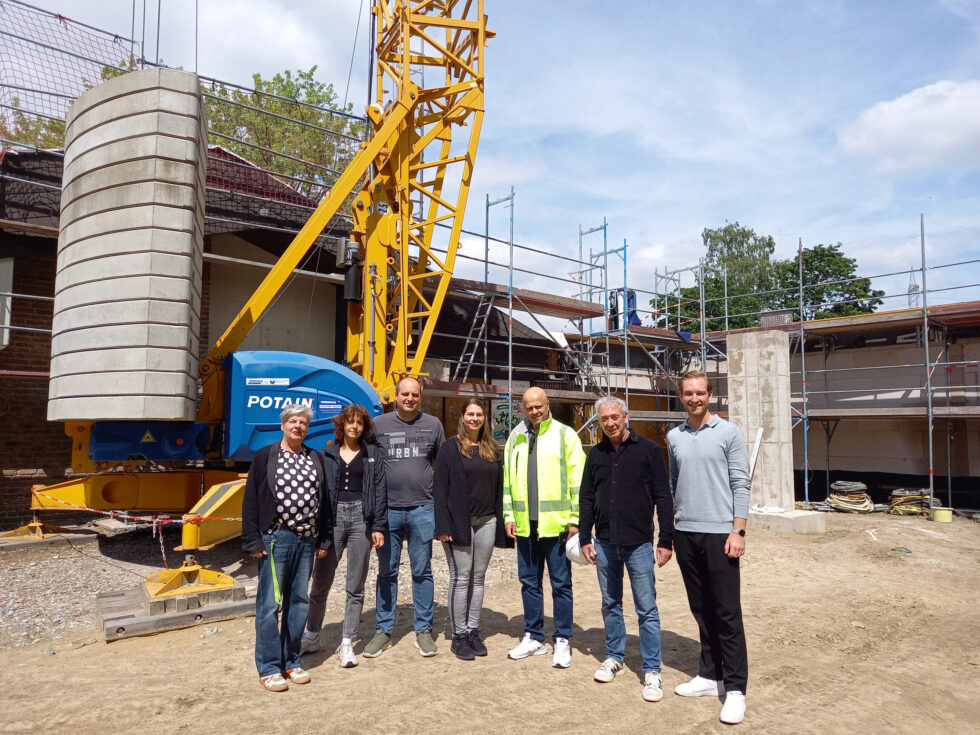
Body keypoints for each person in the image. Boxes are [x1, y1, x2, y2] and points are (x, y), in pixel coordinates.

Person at [667, 370, 751, 725]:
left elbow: (741, 483)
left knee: (727, 613)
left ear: (710, 394)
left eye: (700, 392)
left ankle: (735, 689)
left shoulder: (729, 433)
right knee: (701, 609)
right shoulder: (674, 436)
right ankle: (708, 674)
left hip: (720, 534)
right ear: (681, 397)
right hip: (686, 532)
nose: (694, 398)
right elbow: (674, 482)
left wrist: (738, 531)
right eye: (688, 393)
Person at [579, 396, 674, 702]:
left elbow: (663, 496)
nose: (610, 423)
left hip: (639, 546)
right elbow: (586, 498)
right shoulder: (596, 454)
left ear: (625, 416)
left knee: (646, 610)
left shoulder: (647, 451)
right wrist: (584, 537)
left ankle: (652, 670)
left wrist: (665, 540)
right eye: (604, 419)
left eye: (614, 417)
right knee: (610, 604)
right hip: (605, 543)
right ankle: (615, 656)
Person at [242, 404, 329, 692]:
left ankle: (291, 661)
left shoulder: (313, 457)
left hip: (306, 541)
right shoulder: (266, 456)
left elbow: (324, 501)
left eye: (303, 422)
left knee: (299, 602)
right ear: (283, 425)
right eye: (293, 421)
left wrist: (324, 537)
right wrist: (253, 540)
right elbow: (251, 500)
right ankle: (269, 667)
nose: (298, 426)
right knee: (270, 605)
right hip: (276, 538)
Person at [503, 387, 585, 668]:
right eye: (529, 407)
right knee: (529, 582)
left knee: (561, 584)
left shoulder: (565, 435)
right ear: (523, 408)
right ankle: (534, 635)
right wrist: (508, 515)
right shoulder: (515, 437)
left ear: (547, 404)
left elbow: (578, 479)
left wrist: (575, 519)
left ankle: (562, 638)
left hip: (557, 525)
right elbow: (508, 479)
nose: (535, 411)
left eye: (539, 406)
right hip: (526, 525)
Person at [364, 376, 445, 658]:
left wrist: (440, 509)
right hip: (388, 513)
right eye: (404, 394)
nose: (410, 398)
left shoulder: (433, 425)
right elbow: (368, 466)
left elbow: (442, 468)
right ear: (395, 396)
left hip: (423, 509)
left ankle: (423, 629)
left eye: (415, 394)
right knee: (387, 573)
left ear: (420, 396)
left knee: (422, 572)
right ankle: (383, 630)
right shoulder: (379, 426)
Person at [301, 404, 387, 668]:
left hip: (362, 519)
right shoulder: (326, 453)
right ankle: (313, 634)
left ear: (364, 427)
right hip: (333, 520)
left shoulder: (373, 453)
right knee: (320, 582)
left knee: (355, 585)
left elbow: (380, 490)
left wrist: (378, 526)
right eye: (349, 422)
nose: (354, 427)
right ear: (341, 425)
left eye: (359, 423)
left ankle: (347, 641)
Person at [433, 398, 509, 660]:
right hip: (460, 522)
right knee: (461, 578)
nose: (474, 418)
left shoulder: (492, 449)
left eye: (479, 414)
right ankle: (459, 635)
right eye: (470, 414)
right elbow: (439, 489)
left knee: (478, 578)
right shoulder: (449, 448)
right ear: (462, 417)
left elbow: (500, 488)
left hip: (487, 520)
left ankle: (473, 630)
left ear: (484, 418)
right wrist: (443, 525)